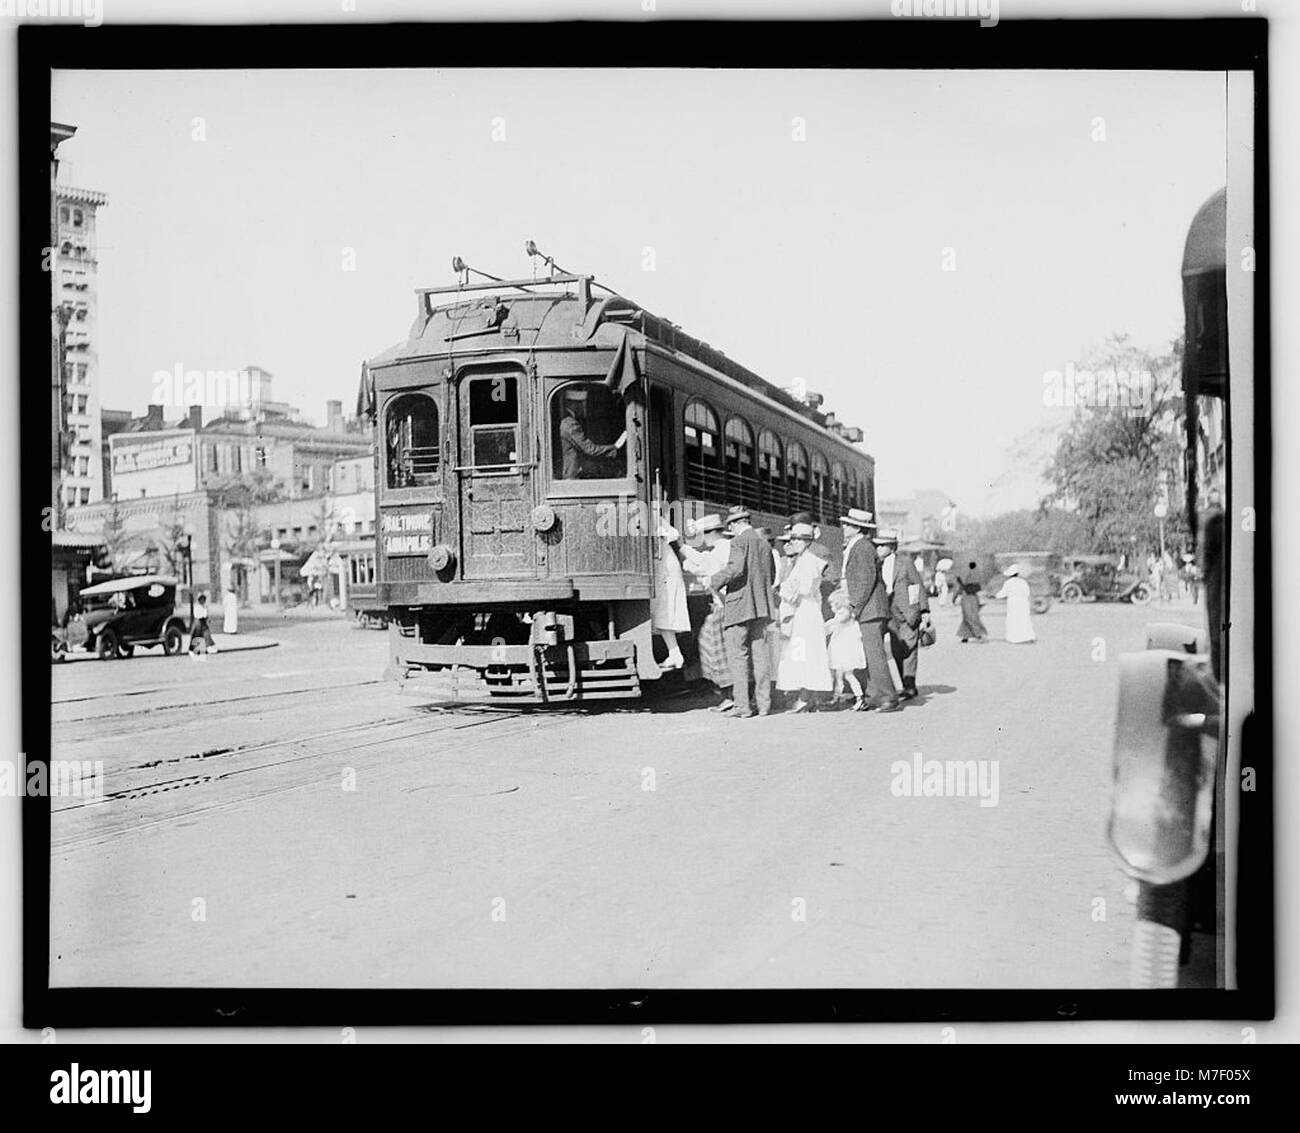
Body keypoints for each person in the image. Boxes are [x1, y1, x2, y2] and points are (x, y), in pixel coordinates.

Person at [709, 505, 775, 718]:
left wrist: (715, 581)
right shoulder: (764, 544)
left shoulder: (739, 541)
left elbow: (736, 569)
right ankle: (764, 705)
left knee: (737, 657)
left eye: (731, 526)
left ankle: (743, 706)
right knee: (761, 656)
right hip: (762, 607)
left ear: (736, 524)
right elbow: (771, 576)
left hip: (739, 607)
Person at [840, 508, 900, 712]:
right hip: (872, 608)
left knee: (875, 655)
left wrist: (854, 606)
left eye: (847, 524)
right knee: (869, 653)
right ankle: (875, 695)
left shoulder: (862, 547)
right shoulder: (860, 546)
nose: (843, 527)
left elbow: (866, 580)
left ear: (856, 528)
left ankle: (888, 696)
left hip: (871, 609)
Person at [775, 522, 834, 712]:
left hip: (806, 613)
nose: (795, 542)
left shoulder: (810, 561)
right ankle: (806, 696)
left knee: (805, 654)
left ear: (807, 541)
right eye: (793, 539)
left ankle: (806, 698)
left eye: (799, 539)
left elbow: (804, 589)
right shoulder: (803, 560)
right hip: (803, 612)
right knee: (800, 655)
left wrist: (784, 591)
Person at [679, 514, 733, 708]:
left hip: (725, 606)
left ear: (710, 533)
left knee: (718, 649)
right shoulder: (722, 548)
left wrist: (681, 547)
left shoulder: (722, 549)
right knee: (712, 645)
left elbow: (704, 564)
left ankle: (729, 693)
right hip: (721, 605)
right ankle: (725, 690)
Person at [873, 528, 931, 700]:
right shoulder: (877, 564)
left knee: (909, 648)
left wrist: (924, 610)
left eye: (882, 545)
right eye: (877, 545)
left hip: (906, 612)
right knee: (896, 649)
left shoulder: (904, 562)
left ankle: (910, 686)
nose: (879, 548)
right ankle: (905, 683)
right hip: (887, 612)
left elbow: (918, 585)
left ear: (892, 546)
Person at [558, 388, 626, 479]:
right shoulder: (570, 424)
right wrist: (615, 447)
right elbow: (590, 449)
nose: (585, 407)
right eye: (583, 404)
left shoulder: (568, 421)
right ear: (574, 405)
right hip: (575, 477)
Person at [652, 519, 690, 670]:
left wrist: (659, 533)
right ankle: (675, 654)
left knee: (663, 612)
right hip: (663, 569)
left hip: (665, 571)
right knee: (661, 614)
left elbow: (674, 534)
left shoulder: (654, 517)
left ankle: (675, 654)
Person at [825, 587, 867, 710]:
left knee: (848, 674)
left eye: (833, 604)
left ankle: (859, 697)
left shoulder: (844, 612)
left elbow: (836, 621)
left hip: (845, 648)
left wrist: (825, 624)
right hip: (840, 647)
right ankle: (837, 696)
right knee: (839, 675)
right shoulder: (841, 613)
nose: (832, 607)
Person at [995, 563, 1037, 643]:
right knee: (1024, 620)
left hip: (1013, 604)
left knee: (1014, 620)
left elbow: (1002, 594)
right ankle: (1028, 637)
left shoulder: (1008, 583)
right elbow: (1027, 593)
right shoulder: (1023, 582)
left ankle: (1015, 638)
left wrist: (995, 596)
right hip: (1023, 603)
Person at [955, 561, 989, 642]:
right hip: (972, 597)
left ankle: (965, 635)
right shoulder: (976, 575)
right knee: (971, 616)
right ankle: (978, 634)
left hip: (967, 597)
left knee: (968, 616)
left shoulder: (964, 575)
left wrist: (955, 597)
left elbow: (958, 588)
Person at [189, 593, 216, 658]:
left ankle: (208, 647)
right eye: (201, 599)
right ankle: (193, 650)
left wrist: (207, 618)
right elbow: (197, 615)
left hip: (204, 622)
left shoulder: (205, 607)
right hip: (198, 622)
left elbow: (206, 615)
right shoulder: (197, 607)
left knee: (206, 635)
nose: (202, 600)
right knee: (197, 635)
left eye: (203, 599)